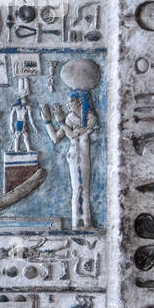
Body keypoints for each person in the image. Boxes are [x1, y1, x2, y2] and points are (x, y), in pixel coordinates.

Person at [43, 85, 99, 229]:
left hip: (83, 156)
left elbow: (74, 135)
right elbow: (55, 138)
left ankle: (86, 223)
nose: (67, 104)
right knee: (77, 191)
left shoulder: (90, 118)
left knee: (84, 190)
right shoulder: (70, 118)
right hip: (74, 156)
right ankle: (76, 225)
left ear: (80, 101)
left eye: (70, 101)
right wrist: (48, 121)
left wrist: (61, 122)